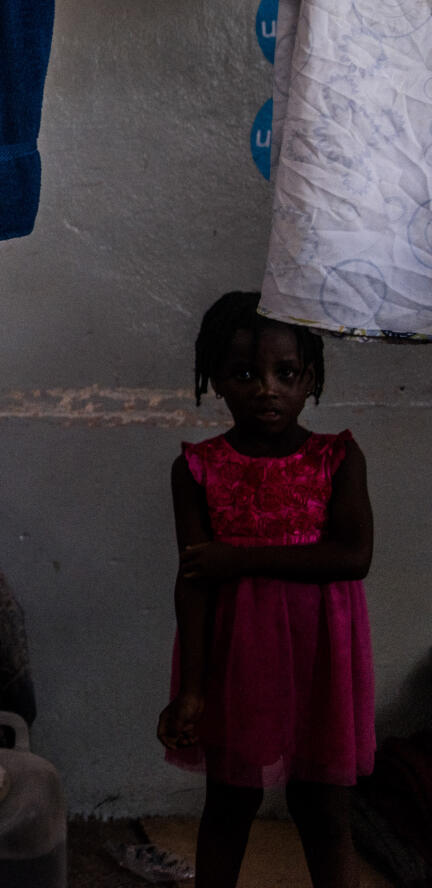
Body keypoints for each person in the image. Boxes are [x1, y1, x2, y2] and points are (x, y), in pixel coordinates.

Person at [157, 291, 374, 888]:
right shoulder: (197, 468)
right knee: (230, 802)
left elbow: (354, 557)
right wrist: (194, 690)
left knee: (323, 809)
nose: (267, 389)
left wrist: (239, 559)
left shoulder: (339, 457)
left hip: (320, 664)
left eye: (286, 373)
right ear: (216, 381)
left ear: (310, 379)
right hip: (238, 663)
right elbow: (195, 580)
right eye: (245, 374)